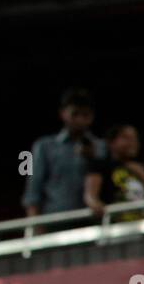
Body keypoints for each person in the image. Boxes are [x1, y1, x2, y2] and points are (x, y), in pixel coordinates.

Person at [22, 88, 105, 222]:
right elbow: (33, 190)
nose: (79, 120)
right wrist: (35, 225)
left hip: (92, 221)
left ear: (92, 116)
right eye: (75, 114)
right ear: (63, 113)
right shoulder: (43, 147)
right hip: (54, 220)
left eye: (85, 115)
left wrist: (93, 158)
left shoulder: (101, 147)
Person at [84, 124, 144, 220]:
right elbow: (90, 196)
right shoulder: (101, 166)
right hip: (114, 227)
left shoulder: (142, 167)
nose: (132, 142)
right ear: (111, 142)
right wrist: (96, 205)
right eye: (126, 138)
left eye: (135, 138)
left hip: (141, 224)